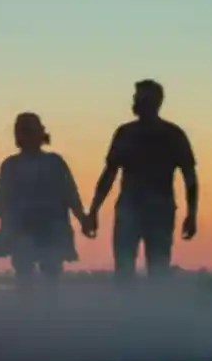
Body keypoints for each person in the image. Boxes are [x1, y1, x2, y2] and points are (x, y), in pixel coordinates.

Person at [85, 79, 198, 281]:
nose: (136, 101)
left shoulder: (172, 135)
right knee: (126, 266)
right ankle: (130, 309)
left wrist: (192, 214)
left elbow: (190, 177)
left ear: (155, 102)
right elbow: (109, 173)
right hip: (132, 208)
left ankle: (153, 309)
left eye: (141, 98)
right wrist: (94, 210)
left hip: (158, 210)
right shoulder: (126, 133)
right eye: (136, 97)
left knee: (158, 268)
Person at [0, 113, 90, 294]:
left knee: (48, 277)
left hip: (49, 230)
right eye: (22, 132)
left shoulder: (54, 163)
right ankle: (32, 315)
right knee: (26, 277)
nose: (25, 136)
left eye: (27, 131)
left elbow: (71, 195)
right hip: (24, 232)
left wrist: (83, 219)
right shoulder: (11, 166)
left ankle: (44, 315)